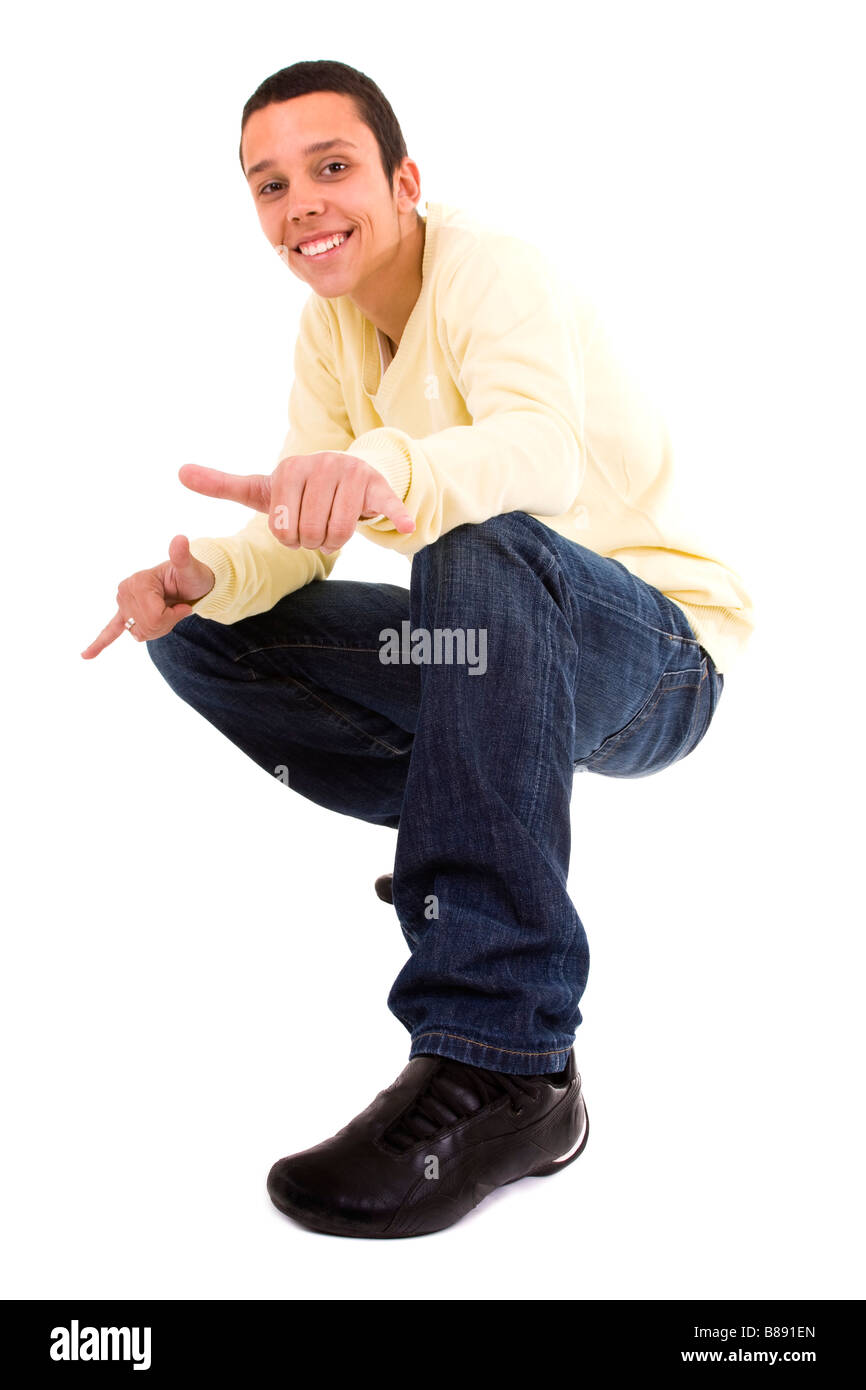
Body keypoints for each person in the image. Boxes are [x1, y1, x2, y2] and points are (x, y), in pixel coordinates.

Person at [81, 59, 755, 1239]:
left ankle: (508, 1058)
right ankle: (476, 822)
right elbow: (300, 536)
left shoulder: (492, 270)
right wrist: (209, 574)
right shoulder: (327, 330)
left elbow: (534, 456)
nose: (301, 206)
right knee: (205, 639)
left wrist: (385, 468)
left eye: (330, 169)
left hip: (655, 653)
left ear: (403, 180)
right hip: (493, 655)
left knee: (475, 532)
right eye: (269, 186)